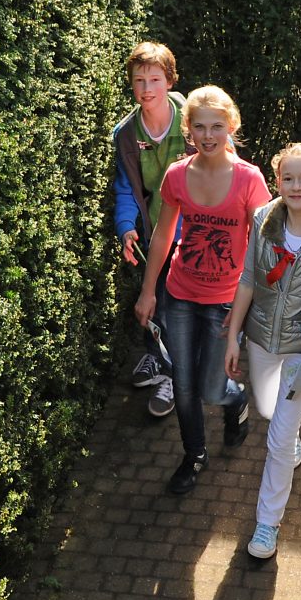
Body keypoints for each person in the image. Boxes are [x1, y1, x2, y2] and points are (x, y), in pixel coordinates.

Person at [135, 86, 268, 495]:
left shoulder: (249, 179)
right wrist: (148, 291)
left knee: (212, 388)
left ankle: (236, 401)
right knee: (183, 383)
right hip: (179, 293)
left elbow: (264, 243)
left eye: (217, 126)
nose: (208, 135)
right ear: (188, 129)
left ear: (232, 126)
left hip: (225, 301)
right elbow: (162, 235)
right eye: (199, 127)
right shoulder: (177, 175)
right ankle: (194, 455)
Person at [225, 143, 301, 559]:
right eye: (288, 178)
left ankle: (267, 525)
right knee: (270, 412)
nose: (296, 185)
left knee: (278, 437)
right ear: (277, 182)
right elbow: (250, 278)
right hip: (260, 341)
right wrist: (234, 335)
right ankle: (289, 441)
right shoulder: (262, 219)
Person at [112, 41, 191, 420]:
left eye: (155, 79)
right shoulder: (126, 134)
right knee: (153, 299)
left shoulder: (194, 120)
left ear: (170, 81)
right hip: (155, 232)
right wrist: (126, 228)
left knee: (175, 306)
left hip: (192, 233)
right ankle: (156, 358)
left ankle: (174, 376)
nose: (146, 88)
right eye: (139, 79)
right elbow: (127, 187)